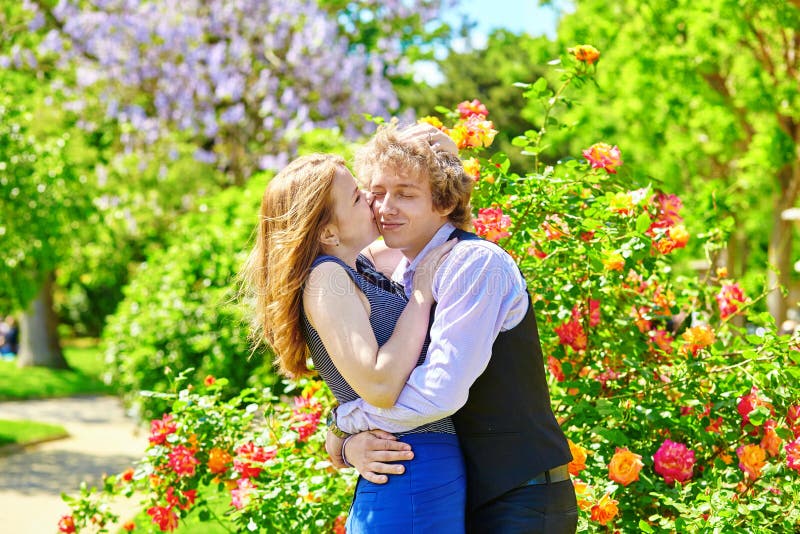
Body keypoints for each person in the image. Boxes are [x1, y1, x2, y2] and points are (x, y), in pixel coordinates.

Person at [326, 124, 578, 533]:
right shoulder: (406, 273)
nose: (385, 207)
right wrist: (351, 443)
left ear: (443, 202)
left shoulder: (474, 264)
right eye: (376, 191)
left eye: (405, 193)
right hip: (463, 497)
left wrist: (345, 424)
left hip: (520, 498)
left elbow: (438, 392)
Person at [240, 152, 466, 533]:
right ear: (328, 232)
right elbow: (377, 385)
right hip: (409, 472)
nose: (374, 201)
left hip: (424, 468)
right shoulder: (325, 278)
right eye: (358, 198)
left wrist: (341, 441)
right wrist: (421, 296)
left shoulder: (358, 268)